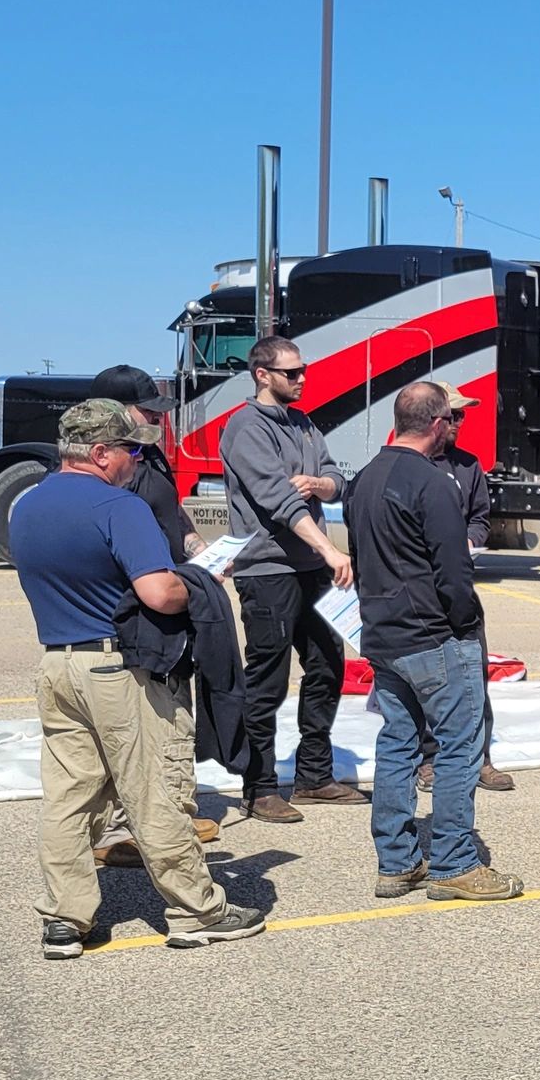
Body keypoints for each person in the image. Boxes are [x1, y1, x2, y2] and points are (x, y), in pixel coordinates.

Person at [6, 399, 263, 959]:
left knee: (68, 798)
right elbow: (158, 593)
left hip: (58, 663)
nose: (137, 458)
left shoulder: (25, 505)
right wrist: (197, 580)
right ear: (99, 453)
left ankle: (64, 919)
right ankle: (198, 911)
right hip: (120, 670)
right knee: (157, 792)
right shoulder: (118, 506)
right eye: (130, 448)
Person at [345, 382, 523, 903]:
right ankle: (453, 863)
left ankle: (396, 862)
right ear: (440, 423)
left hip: (383, 634)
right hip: (434, 635)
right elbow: (454, 573)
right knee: (459, 748)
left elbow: (362, 559)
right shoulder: (433, 483)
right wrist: (466, 627)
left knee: (399, 743)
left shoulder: (364, 480)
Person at [222, 336, 363, 823]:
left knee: (328, 666)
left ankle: (314, 777)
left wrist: (321, 485)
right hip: (268, 570)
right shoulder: (245, 428)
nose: (302, 379)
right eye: (292, 372)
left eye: (303, 371)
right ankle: (259, 786)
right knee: (269, 677)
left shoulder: (303, 424)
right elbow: (276, 502)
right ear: (262, 374)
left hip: (311, 570)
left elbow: (335, 480)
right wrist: (328, 548)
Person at [87, 364, 218, 853]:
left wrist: (193, 543)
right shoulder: (110, 471)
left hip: (169, 583)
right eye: (147, 410)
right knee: (140, 725)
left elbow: (171, 512)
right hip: (137, 606)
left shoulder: (145, 454)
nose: (158, 420)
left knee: (168, 715)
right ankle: (124, 829)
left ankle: (166, 812)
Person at [419, 383, 512, 793]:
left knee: (475, 672)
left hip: (461, 586)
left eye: (463, 416)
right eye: (453, 415)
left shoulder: (469, 466)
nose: (459, 423)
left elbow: (480, 517)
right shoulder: (414, 465)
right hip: (422, 593)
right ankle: (430, 758)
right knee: (428, 678)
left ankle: (481, 756)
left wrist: (469, 543)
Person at [90, 363, 202, 560]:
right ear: (116, 412)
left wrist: (199, 549)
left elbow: (169, 507)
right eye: (148, 409)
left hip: (169, 576)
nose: (158, 416)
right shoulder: (98, 466)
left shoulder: (151, 451)